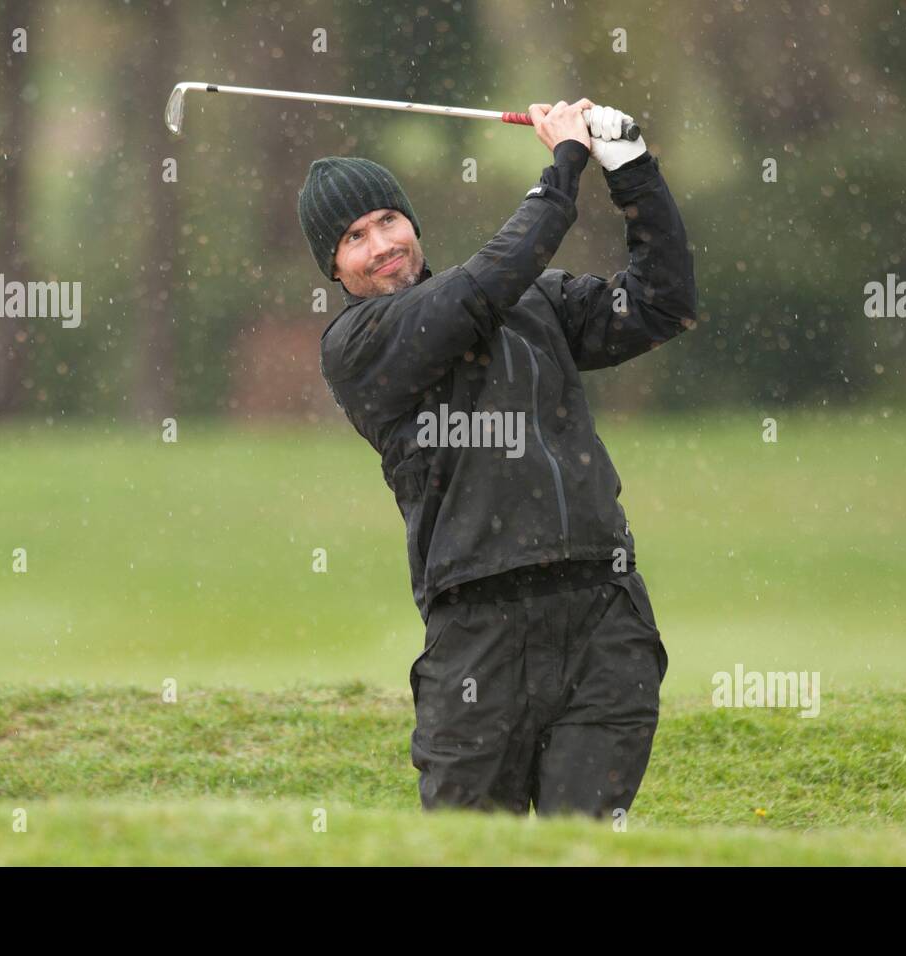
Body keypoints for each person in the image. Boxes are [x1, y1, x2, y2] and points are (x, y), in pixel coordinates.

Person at [297, 98, 696, 819]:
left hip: (601, 614)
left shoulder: (531, 302)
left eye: (388, 219)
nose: (381, 242)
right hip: (479, 632)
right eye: (355, 237)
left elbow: (662, 304)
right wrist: (565, 164)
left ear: (412, 222)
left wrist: (632, 168)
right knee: (469, 850)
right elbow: (477, 290)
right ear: (334, 266)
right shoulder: (360, 344)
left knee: (579, 849)